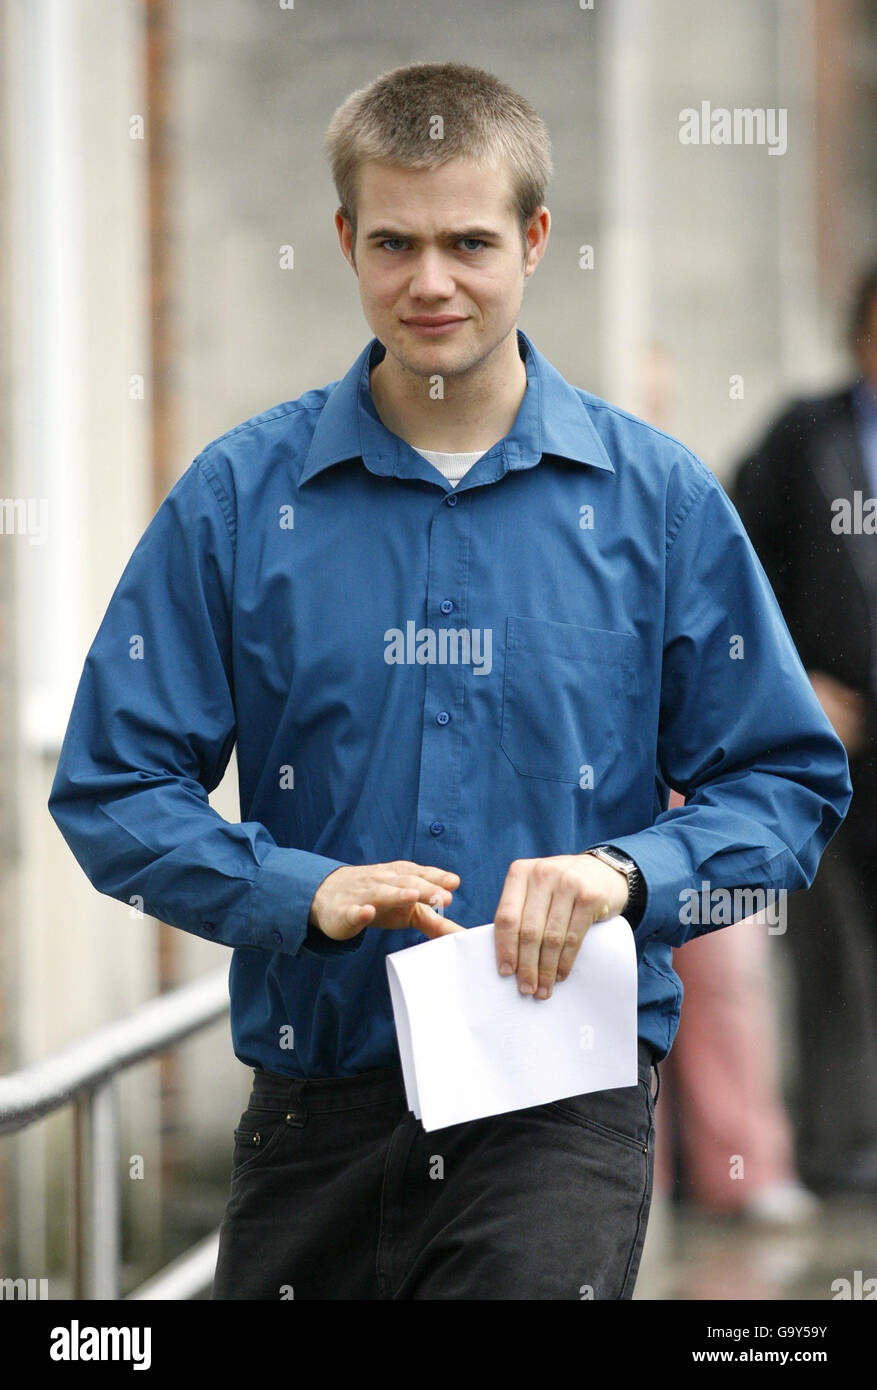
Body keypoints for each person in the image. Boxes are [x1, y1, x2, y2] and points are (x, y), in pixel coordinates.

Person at [47, 61, 851, 1300]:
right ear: (345, 241)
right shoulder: (236, 501)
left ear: (533, 239)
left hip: (559, 1109)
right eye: (395, 243)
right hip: (312, 1106)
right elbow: (112, 786)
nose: (431, 281)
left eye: (468, 242)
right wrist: (299, 889)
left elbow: (785, 782)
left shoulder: (660, 505)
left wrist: (625, 871)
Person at [731, 265, 877, 1194]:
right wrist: (791, 686)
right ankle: (837, 1150)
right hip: (833, 749)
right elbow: (733, 573)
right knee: (832, 957)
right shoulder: (801, 436)